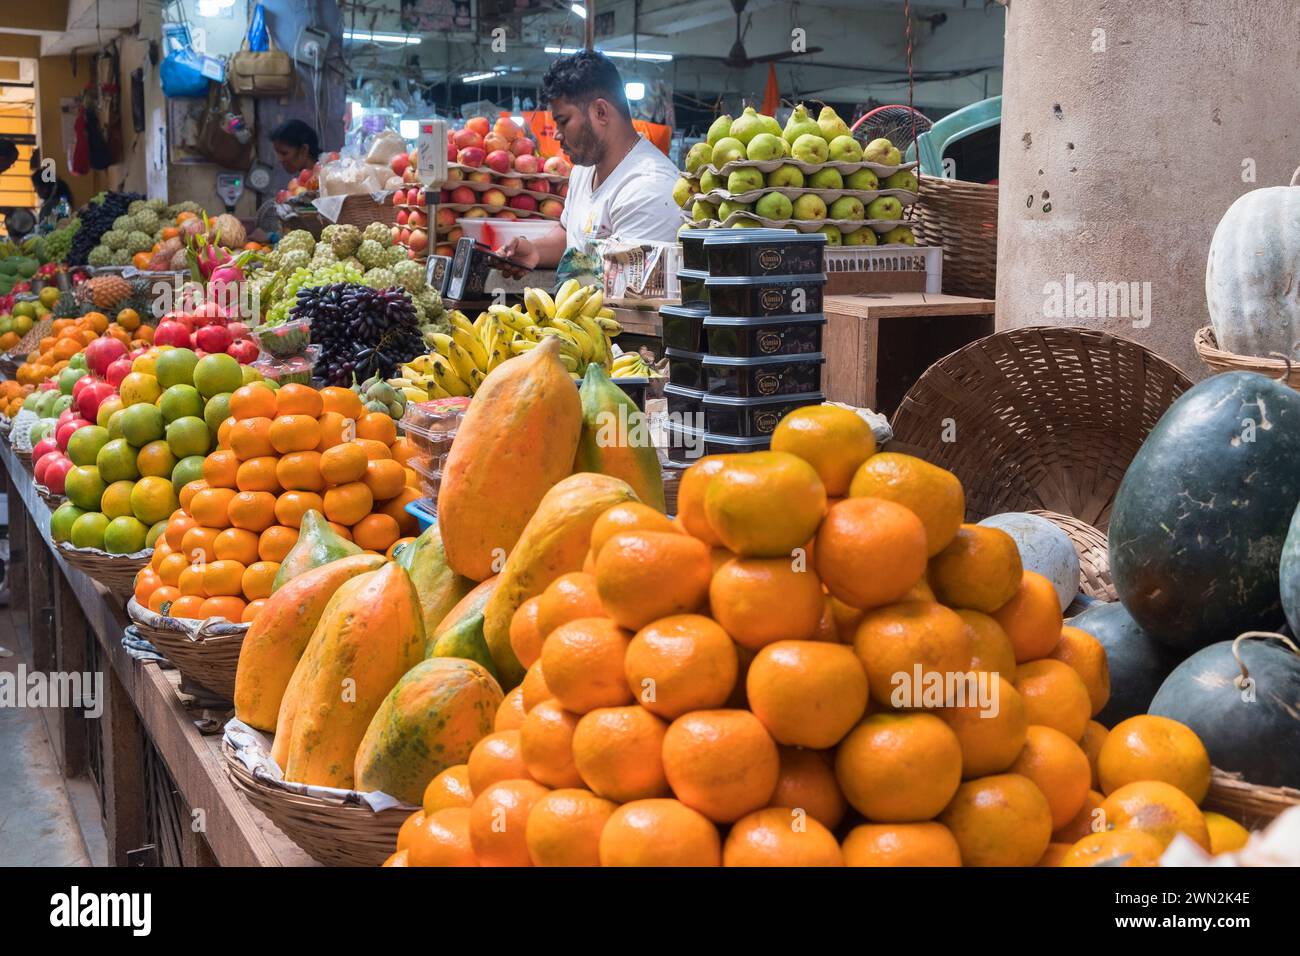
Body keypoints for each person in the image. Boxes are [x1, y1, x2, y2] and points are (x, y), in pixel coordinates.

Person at [499, 50, 681, 274]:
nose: (557, 134)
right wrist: (535, 250)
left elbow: (632, 297)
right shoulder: (583, 171)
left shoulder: (649, 189)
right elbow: (572, 235)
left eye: (563, 121)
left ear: (600, 112)